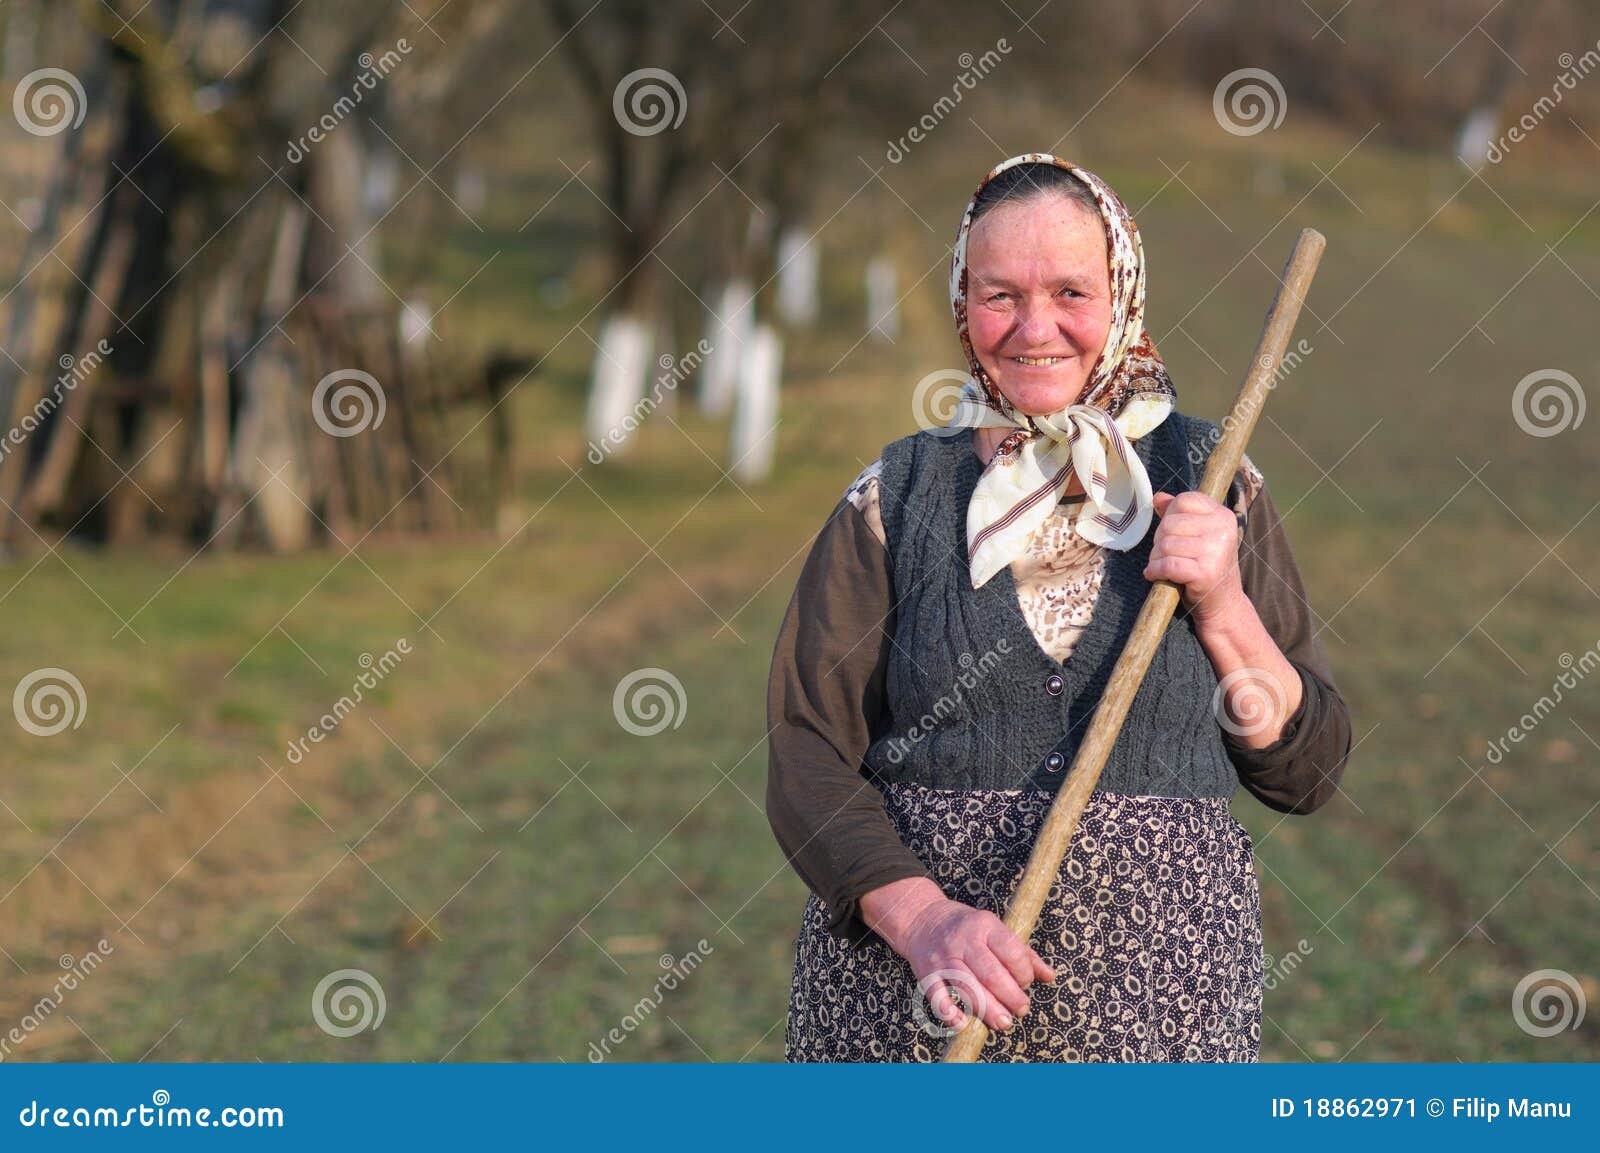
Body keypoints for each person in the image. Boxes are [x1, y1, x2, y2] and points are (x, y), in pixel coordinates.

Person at [766, 153, 1353, 1062]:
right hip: (910, 1014)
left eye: (1072, 292)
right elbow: (806, 752)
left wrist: (1224, 604)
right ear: (962, 300)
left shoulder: (1216, 482)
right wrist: (922, 920)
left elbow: (1305, 772)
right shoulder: (899, 495)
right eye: (999, 295)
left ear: (1123, 296)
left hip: (1161, 1023)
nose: (1034, 329)